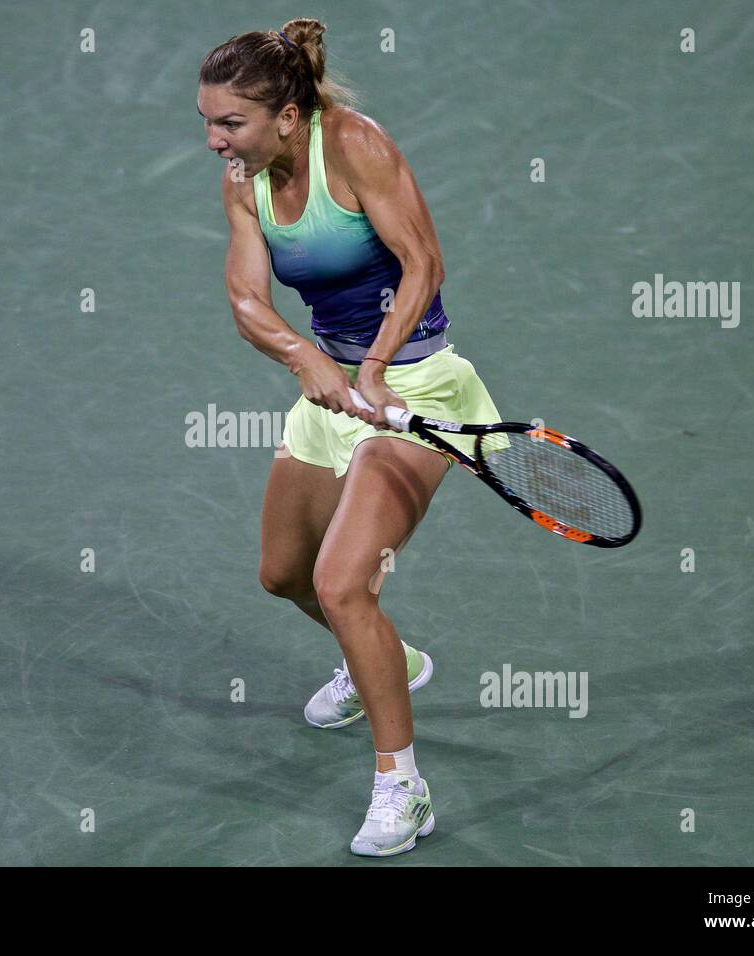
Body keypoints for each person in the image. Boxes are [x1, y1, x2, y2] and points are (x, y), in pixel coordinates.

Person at [198, 18, 503, 856]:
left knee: (341, 585)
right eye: (208, 124)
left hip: (420, 384)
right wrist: (308, 359)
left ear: (287, 115)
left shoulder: (358, 147)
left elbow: (423, 264)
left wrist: (372, 368)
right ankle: (389, 661)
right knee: (284, 575)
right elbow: (247, 301)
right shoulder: (243, 180)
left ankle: (403, 790)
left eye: (232, 124)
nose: (216, 141)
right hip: (332, 389)